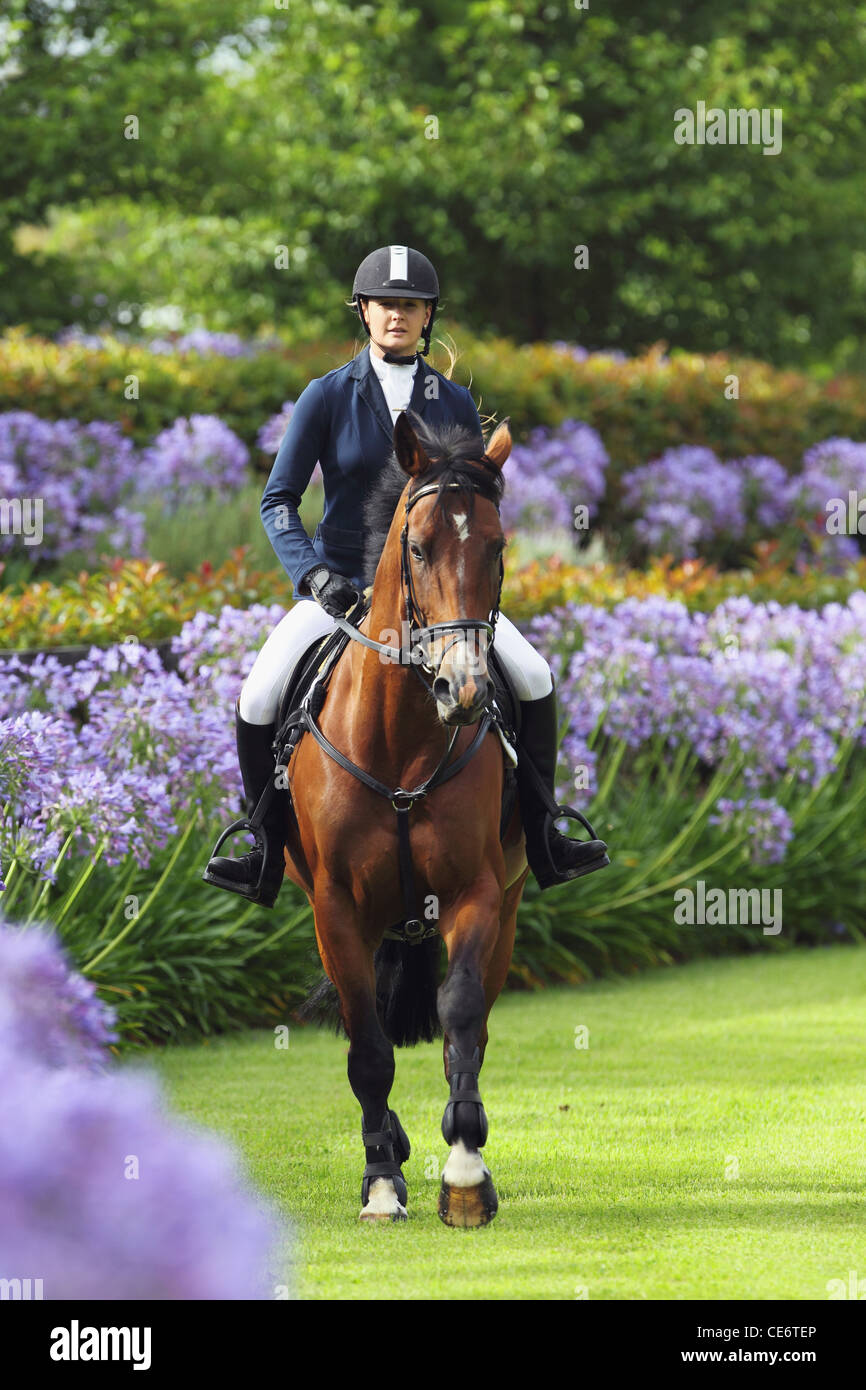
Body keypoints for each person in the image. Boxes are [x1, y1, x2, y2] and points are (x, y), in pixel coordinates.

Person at [204, 245, 609, 906]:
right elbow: (277, 501)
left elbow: (471, 511)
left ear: (428, 317)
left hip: (440, 600)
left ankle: (545, 831)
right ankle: (260, 845)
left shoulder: (449, 400)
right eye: (385, 304)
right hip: (340, 591)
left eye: (411, 305)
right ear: (364, 312)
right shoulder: (326, 396)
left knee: (534, 677)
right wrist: (313, 579)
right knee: (258, 693)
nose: (397, 315)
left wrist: (471, 589)